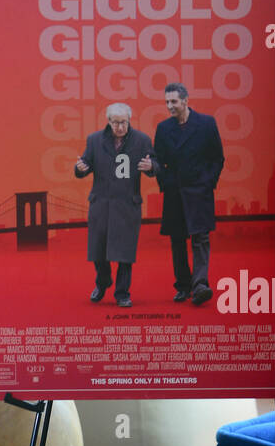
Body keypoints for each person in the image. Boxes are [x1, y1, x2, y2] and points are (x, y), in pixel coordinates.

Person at [74, 103, 156, 308]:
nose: (119, 127)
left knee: (125, 253)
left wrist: (151, 167)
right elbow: (85, 164)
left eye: (123, 122)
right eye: (115, 122)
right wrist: (80, 169)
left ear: (129, 120)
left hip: (128, 205)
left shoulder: (142, 140)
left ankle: (122, 293)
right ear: (108, 121)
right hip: (101, 204)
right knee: (98, 252)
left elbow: (155, 165)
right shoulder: (94, 140)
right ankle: (103, 282)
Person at [152, 83, 225, 306]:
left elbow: (217, 158)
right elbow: (157, 160)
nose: (169, 106)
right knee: (177, 240)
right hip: (175, 191)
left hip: (199, 190)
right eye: (166, 102)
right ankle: (183, 286)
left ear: (185, 100)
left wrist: (207, 183)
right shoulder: (163, 128)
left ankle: (200, 284)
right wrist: (165, 183)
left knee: (200, 238)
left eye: (173, 101)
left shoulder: (206, 123)